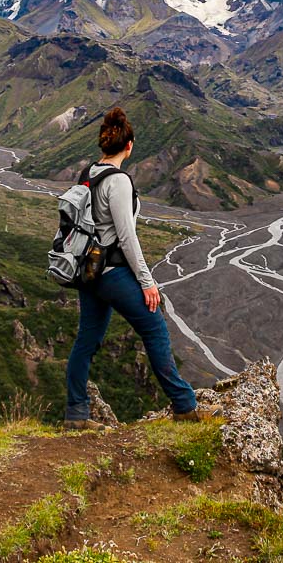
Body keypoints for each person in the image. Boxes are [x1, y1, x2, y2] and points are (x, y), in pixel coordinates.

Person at [63, 107, 210, 429]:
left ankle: (76, 415)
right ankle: (185, 405)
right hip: (112, 272)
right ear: (129, 146)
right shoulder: (119, 182)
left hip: (87, 271)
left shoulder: (88, 173)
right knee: (154, 329)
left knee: (86, 341)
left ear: (105, 144)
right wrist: (147, 282)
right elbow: (127, 238)